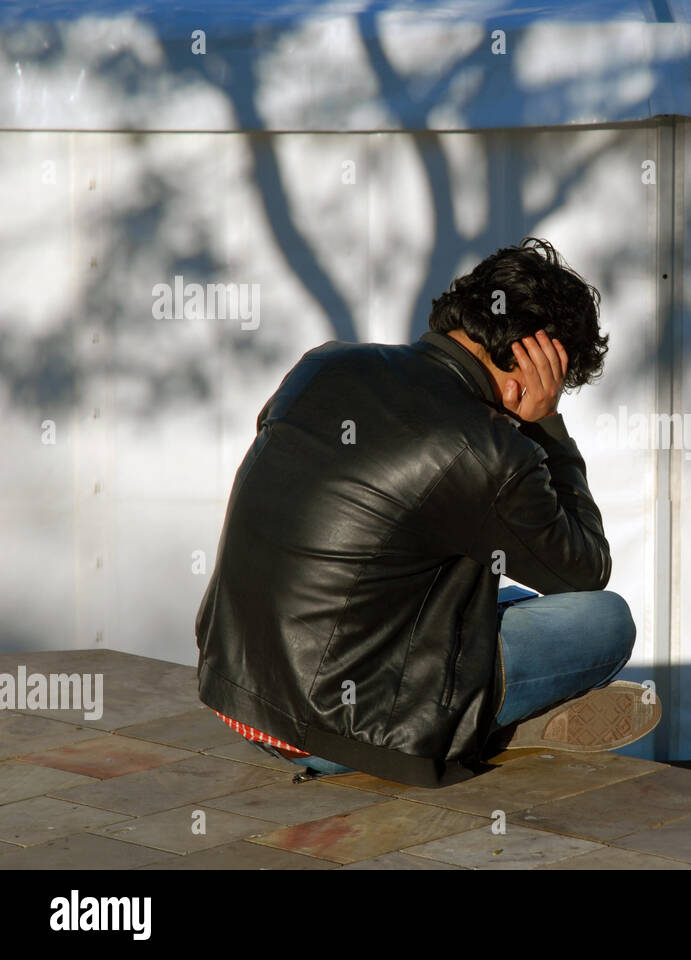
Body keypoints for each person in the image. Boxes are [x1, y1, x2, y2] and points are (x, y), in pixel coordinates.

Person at [194, 237, 659, 788]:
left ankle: (480, 720)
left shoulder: (323, 364)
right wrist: (546, 423)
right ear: (531, 371)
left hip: (235, 688)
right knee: (604, 620)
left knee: (490, 597)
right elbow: (582, 571)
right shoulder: (489, 450)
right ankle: (485, 727)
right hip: (333, 729)